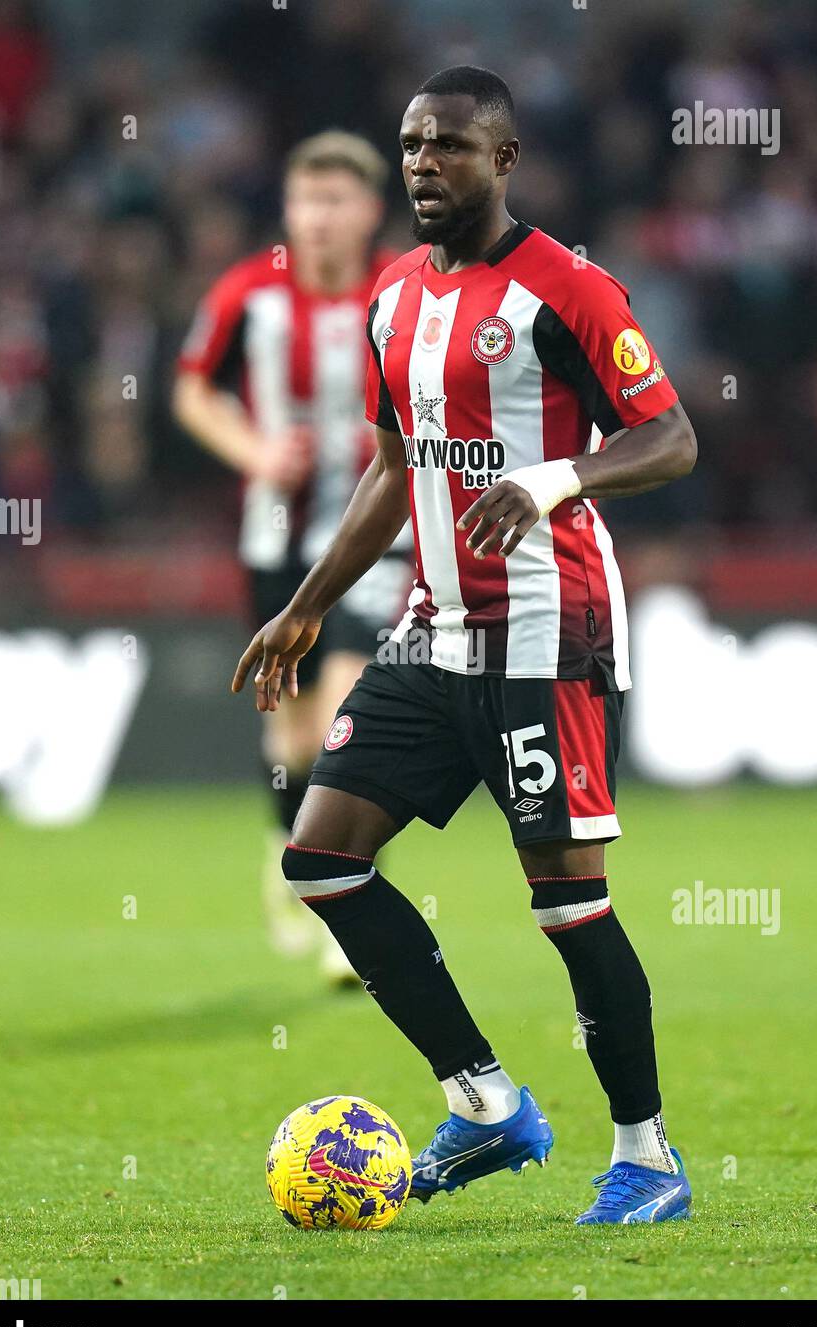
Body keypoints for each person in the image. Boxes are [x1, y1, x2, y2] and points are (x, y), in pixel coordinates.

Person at [231, 67, 698, 1224]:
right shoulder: (392, 297)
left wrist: (555, 477)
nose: (423, 165)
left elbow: (671, 436)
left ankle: (647, 1157)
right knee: (321, 857)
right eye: (410, 146)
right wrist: (304, 603)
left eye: (448, 146)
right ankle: (486, 1104)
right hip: (430, 632)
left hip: (547, 636)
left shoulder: (568, 290)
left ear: (505, 160)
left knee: (567, 905)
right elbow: (392, 473)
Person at [174, 131, 411, 983]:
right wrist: (255, 451)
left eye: (335, 202)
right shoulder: (249, 293)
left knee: (349, 706)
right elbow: (192, 388)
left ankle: (344, 899)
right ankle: (291, 848)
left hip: (371, 538)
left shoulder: (402, 288)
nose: (317, 219)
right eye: (306, 201)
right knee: (293, 734)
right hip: (273, 539)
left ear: (369, 211)